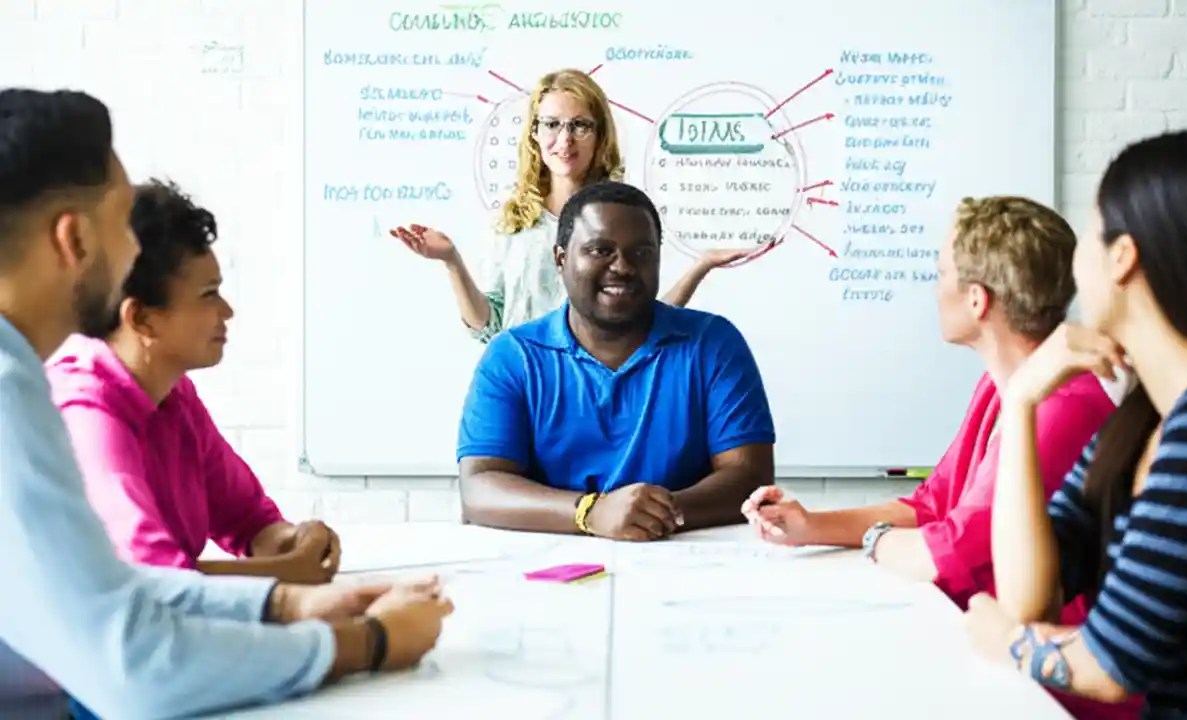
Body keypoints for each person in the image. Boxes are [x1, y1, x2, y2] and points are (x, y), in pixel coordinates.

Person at [0, 88, 452, 719]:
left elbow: (114, 588)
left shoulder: (25, 376)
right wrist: (368, 643)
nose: (134, 249)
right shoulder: (17, 395)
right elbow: (136, 666)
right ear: (73, 239)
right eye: (123, 222)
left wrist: (286, 603)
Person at [742, 196, 1135, 719]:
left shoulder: (1062, 407)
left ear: (976, 300)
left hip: (1054, 693)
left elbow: (949, 551)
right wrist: (810, 526)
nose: (934, 287)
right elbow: (932, 505)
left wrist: (876, 540)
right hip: (1000, 665)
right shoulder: (998, 389)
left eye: (941, 272)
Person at [965, 130, 1187, 718]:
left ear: (1122, 256)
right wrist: (1022, 399)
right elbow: (1030, 598)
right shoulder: (1142, 421)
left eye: (1089, 232)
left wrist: (1003, 640)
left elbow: (1112, 664)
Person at [45, 178, 340, 585]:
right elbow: (152, 578)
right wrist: (285, 572)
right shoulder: (86, 414)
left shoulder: (174, 395)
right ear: (141, 319)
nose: (227, 311)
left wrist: (300, 542)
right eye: (208, 294)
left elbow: (249, 521)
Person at [456, 181, 775, 541]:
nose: (622, 266)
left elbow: (750, 477)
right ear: (561, 259)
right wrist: (590, 512)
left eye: (641, 252)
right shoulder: (514, 355)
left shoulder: (713, 344)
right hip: (550, 562)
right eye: (600, 250)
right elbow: (479, 488)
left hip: (686, 555)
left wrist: (645, 515)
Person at [390, 68, 748, 343]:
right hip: (524, 391)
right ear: (534, 133)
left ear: (600, 135)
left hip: (595, 393)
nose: (564, 140)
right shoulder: (512, 223)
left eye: (580, 126)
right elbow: (489, 327)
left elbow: (641, 322)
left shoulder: (622, 221)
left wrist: (701, 266)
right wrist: (451, 260)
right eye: (551, 124)